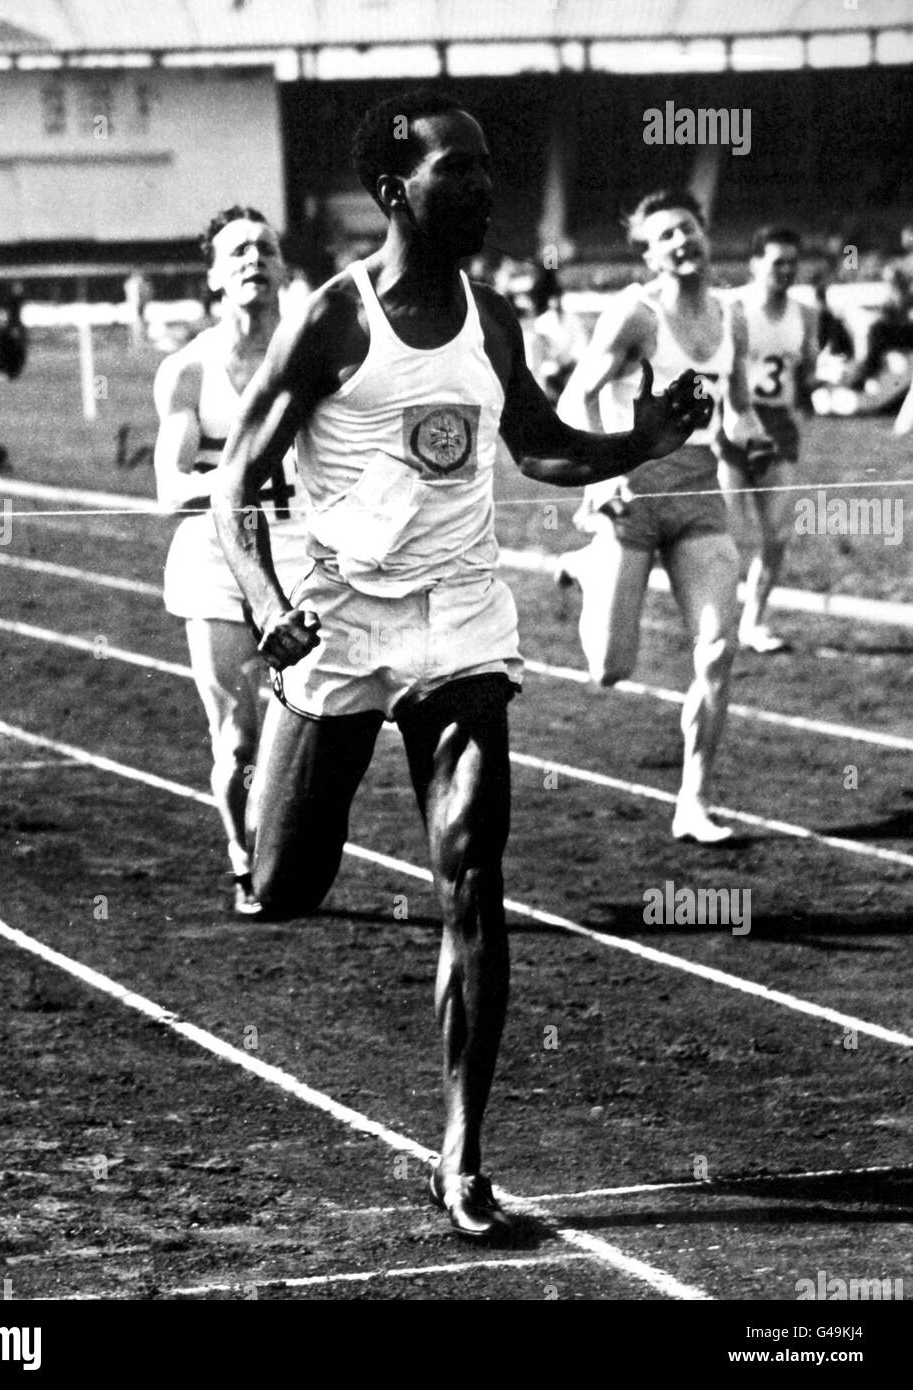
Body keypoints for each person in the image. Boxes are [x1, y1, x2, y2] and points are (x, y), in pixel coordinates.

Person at [211, 93, 710, 1240]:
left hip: (461, 625)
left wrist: (650, 438)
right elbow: (238, 480)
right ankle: (260, 795)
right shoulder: (334, 321)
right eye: (459, 171)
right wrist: (271, 605)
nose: (484, 187)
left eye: (490, 169)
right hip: (337, 625)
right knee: (287, 882)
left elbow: (535, 442)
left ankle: (462, 1155)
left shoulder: (492, 316)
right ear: (397, 190)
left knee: (473, 870)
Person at [553, 189, 773, 844]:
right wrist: (600, 478)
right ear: (648, 254)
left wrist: (750, 436)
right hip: (632, 494)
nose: (680, 242)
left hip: (699, 495)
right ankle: (588, 565)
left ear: (705, 233)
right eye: (664, 237)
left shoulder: (731, 315)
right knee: (608, 669)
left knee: (717, 648)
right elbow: (574, 395)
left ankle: (693, 801)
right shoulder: (634, 313)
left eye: (686, 229)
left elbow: (736, 405)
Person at [153, 206, 310, 916]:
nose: (253, 258)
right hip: (216, 567)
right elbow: (168, 489)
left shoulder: (317, 353)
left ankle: (285, 851)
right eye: (237, 250)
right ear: (215, 275)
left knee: (306, 729)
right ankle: (245, 859)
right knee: (239, 740)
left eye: (265, 247)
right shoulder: (189, 370)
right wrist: (233, 484)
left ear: (283, 266)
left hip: (303, 561)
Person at [716, 227, 819, 653]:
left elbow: (806, 369)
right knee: (724, 534)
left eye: (792, 262)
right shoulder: (732, 306)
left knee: (776, 536)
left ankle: (753, 624)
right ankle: (716, 621)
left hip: (777, 427)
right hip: (735, 424)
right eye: (778, 261)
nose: (786, 270)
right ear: (756, 263)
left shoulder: (806, 313)